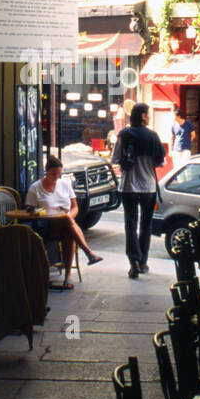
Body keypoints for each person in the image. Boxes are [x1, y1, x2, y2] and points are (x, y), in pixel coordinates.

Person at [25, 155, 103, 289]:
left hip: (66, 222)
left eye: (59, 173)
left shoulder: (65, 184)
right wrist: (39, 211)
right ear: (46, 172)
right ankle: (88, 252)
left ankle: (68, 277)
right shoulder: (36, 188)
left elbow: (75, 207)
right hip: (47, 224)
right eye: (53, 173)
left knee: (68, 232)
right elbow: (30, 210)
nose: (56, 176)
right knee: (67, 222)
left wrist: (69, 217)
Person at [112, 102, 165, 278]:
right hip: (149, 187)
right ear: (143, 115)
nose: (149, 117)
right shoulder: (153, 136)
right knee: (146, 225)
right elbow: (160, 162)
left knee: (130, 224)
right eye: (148, 114)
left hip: (129, 187)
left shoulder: (124, 134)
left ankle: (133, 261)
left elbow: (116, 158)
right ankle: (143, 262)